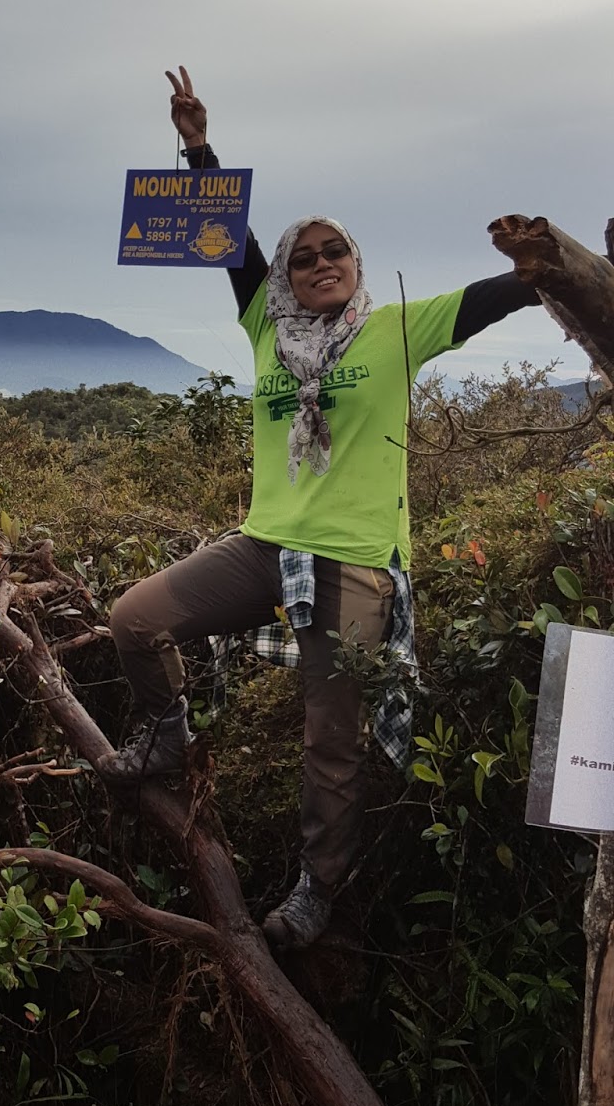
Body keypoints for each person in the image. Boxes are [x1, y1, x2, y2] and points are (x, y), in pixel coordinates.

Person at [104, 66, 540, 949]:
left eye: (333, 251)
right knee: (134, 618)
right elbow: (232, 243)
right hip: (266, 545)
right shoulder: (267, 326)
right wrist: (197, 148)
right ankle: (166, 731)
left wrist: (559, 262)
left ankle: (317, 886)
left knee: (327, 737)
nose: (318, 265)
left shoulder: (398, 329)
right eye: (302, 258)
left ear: (357, 265)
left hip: (353, 562)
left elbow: (509, 294)